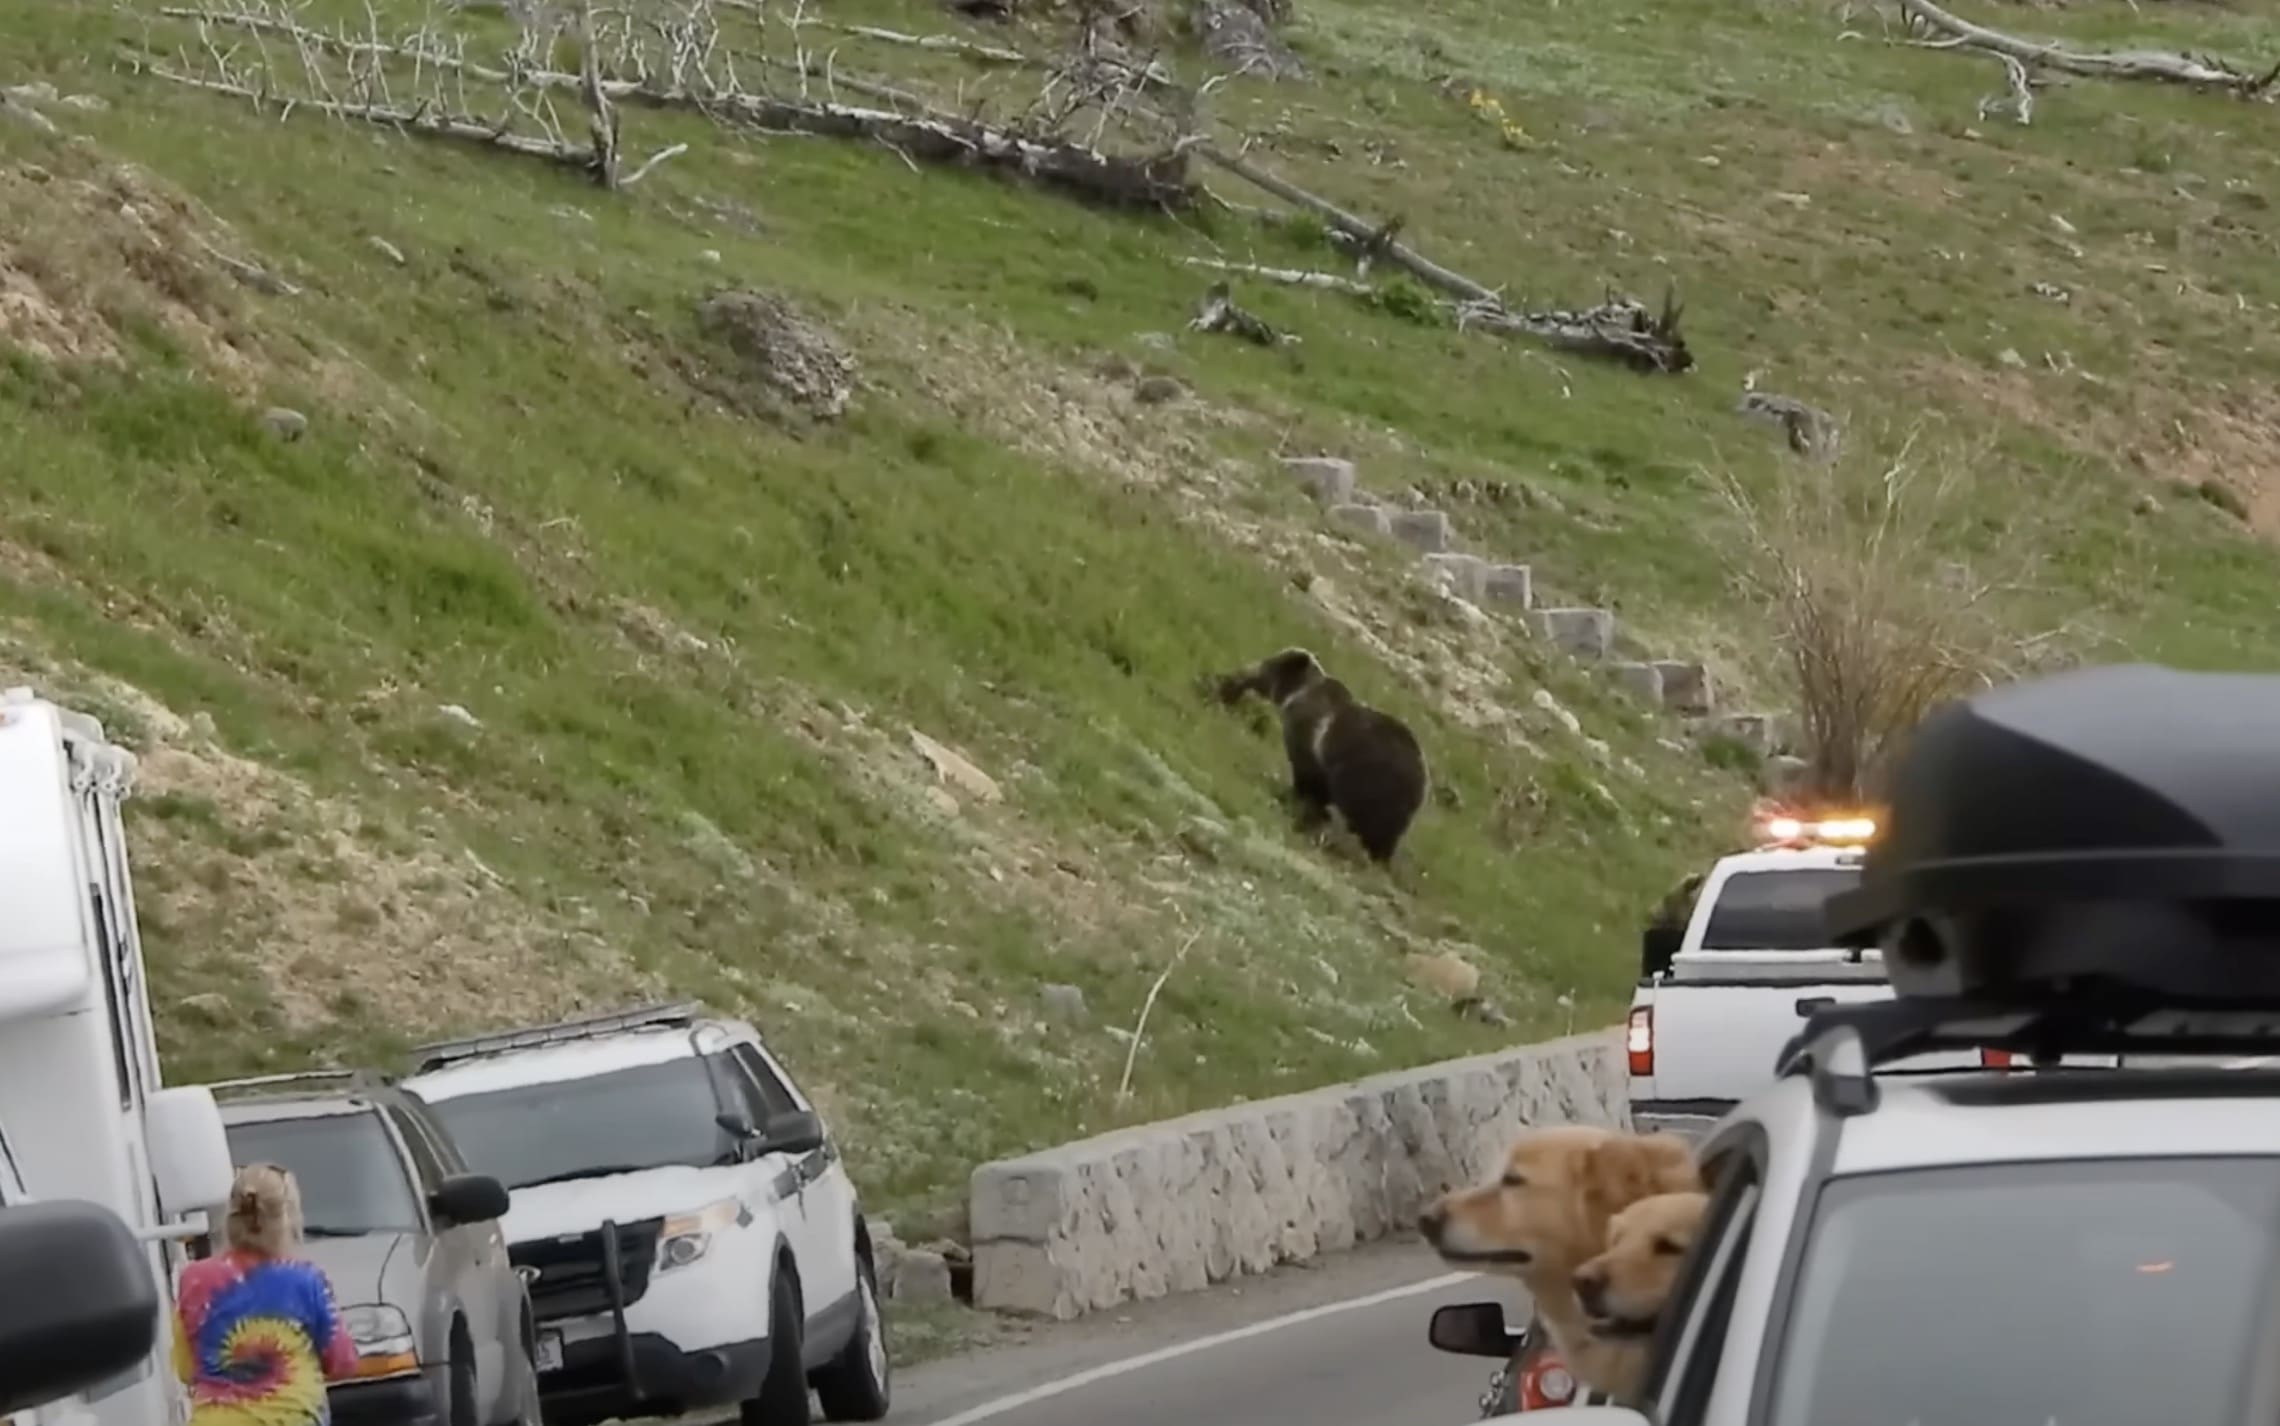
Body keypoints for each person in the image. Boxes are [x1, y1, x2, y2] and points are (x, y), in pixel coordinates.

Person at [173, 1162, 360, 1426]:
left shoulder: (193, 1279)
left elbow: (186, 1369)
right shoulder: (307, 1280)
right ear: (288, 1219)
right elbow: (343, 1362)